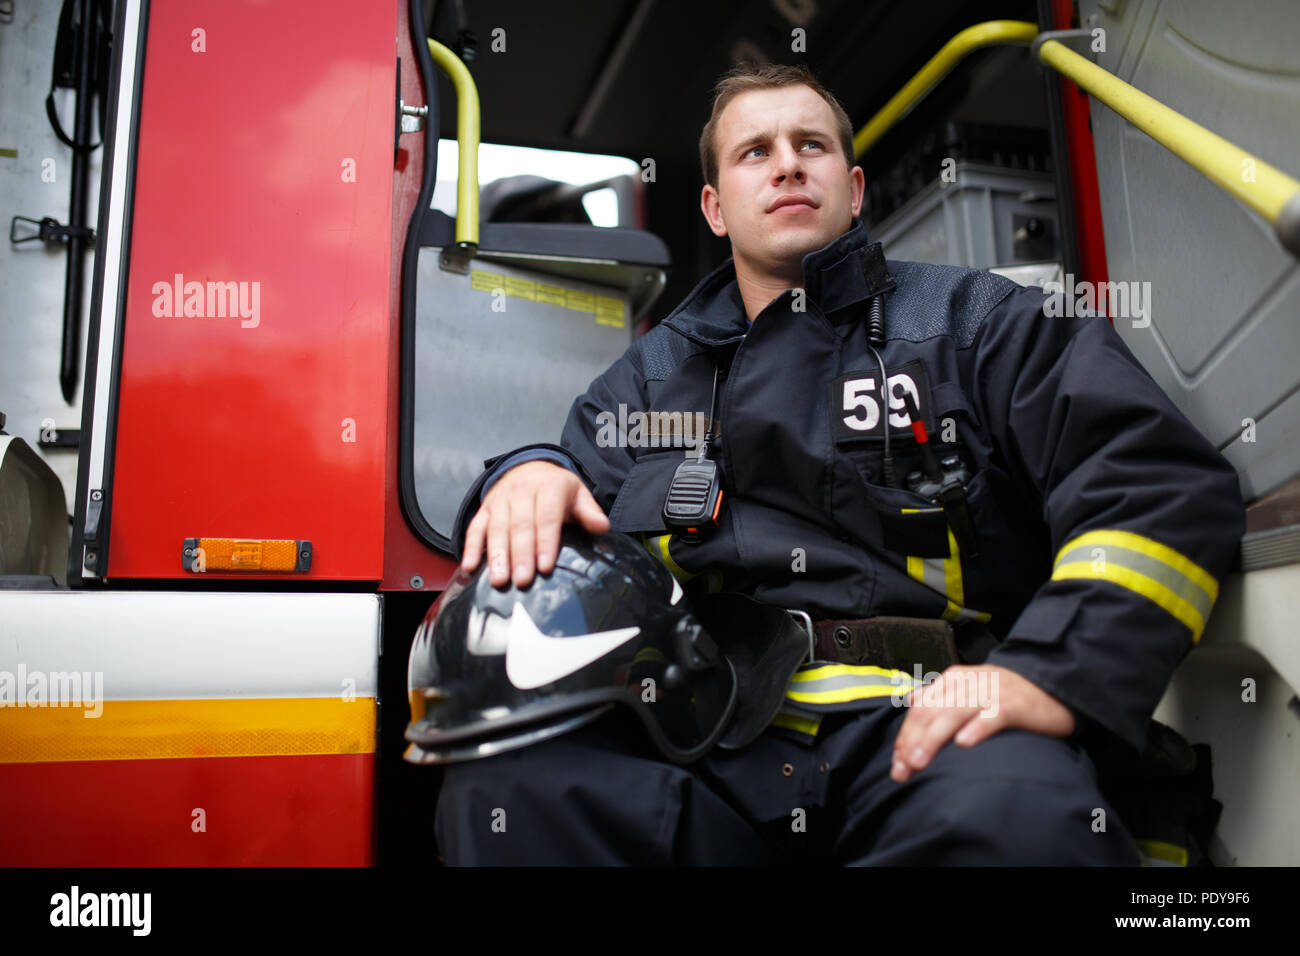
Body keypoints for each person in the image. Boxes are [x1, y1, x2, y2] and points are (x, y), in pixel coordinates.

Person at [433, 64, 1245, 865]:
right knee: (507, 798)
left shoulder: (980, 324)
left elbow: (1153, 484)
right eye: (755, 152)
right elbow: (566, 488)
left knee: (1019, 823)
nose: (787, 162)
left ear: (854, 189)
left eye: (810, 144)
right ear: (714, 209)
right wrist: (529, 470)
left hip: (941, 724)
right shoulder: (650, 378)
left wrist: (1054, 674)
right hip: (714, 741)